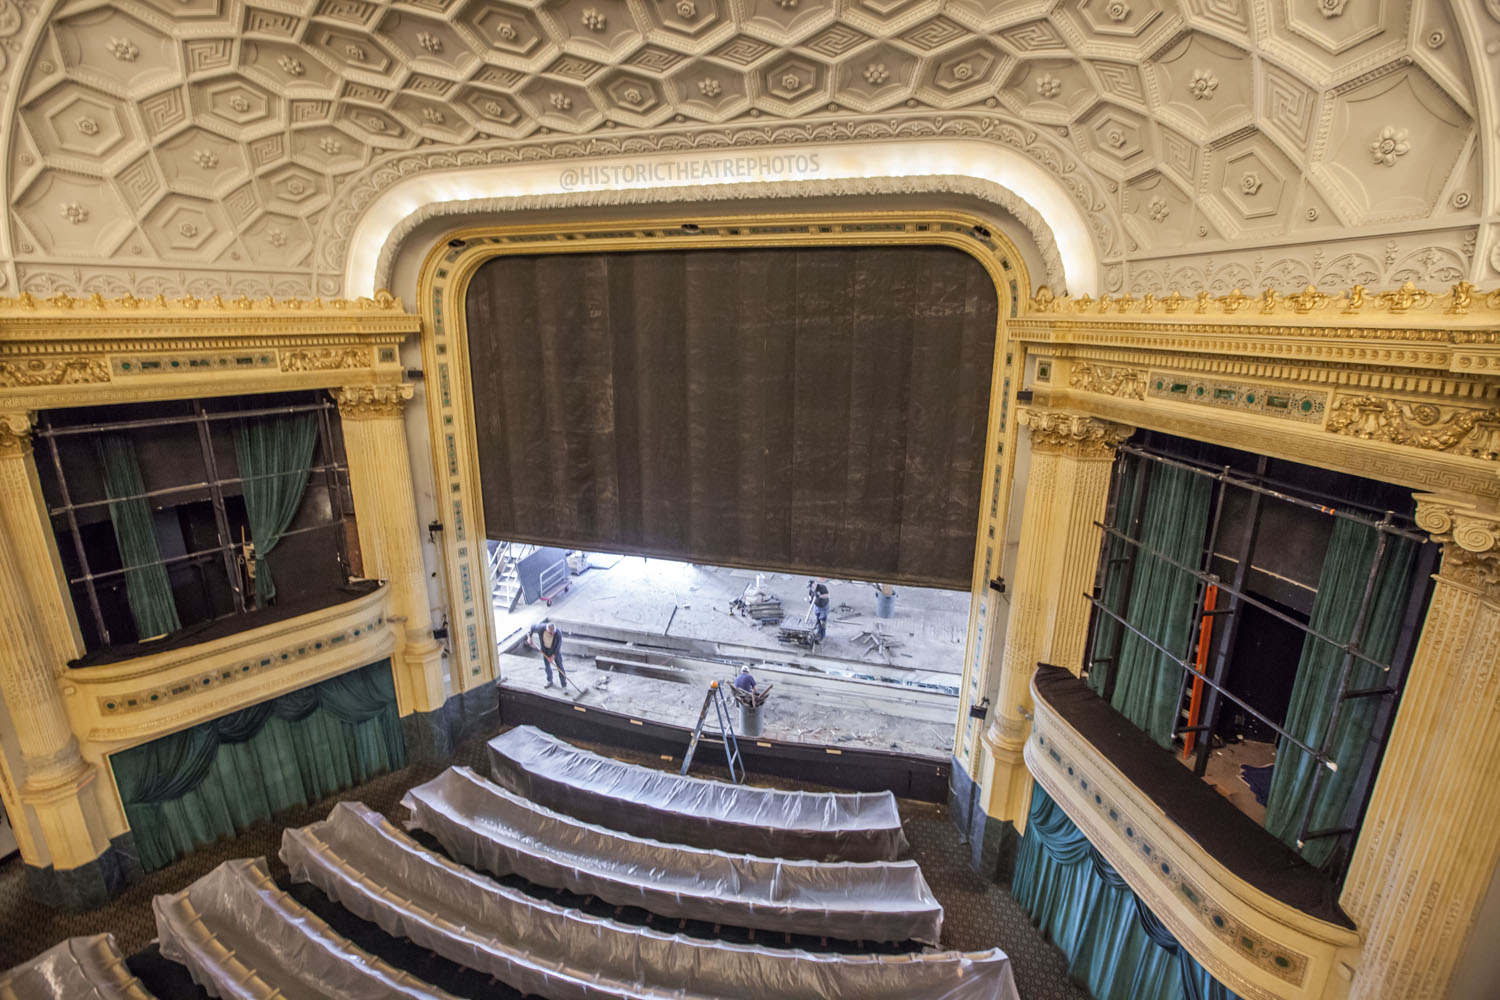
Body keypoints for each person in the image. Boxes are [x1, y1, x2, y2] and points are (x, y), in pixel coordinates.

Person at [528, 620, 567, 688]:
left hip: (555, 651)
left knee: (560, 667)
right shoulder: (541, 628)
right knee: (547, 666)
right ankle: (549, 681)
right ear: (547, 629)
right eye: (550, 633)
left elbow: (558, 645)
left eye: (553, 632)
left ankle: (564, 685)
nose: (552, 634)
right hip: (545, 650)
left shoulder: (558, 633)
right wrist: (529, 637)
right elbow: (532, 627)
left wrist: (553, 656)